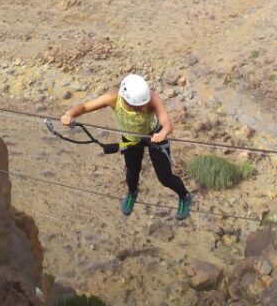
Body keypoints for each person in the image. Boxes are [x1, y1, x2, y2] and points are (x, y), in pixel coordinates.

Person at [61, 73, 192, 220]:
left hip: (154, 136)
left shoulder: (152, 98)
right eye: (135, 106)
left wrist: (163, 133)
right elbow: (85, 106)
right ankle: (132, 193)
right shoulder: (112, 98)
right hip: (130, 139)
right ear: (124, 98)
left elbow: (167, 124)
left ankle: (185, 196)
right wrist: (70, 114)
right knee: (131, 172)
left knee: (165, 178)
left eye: (142, 105)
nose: (140, 108)